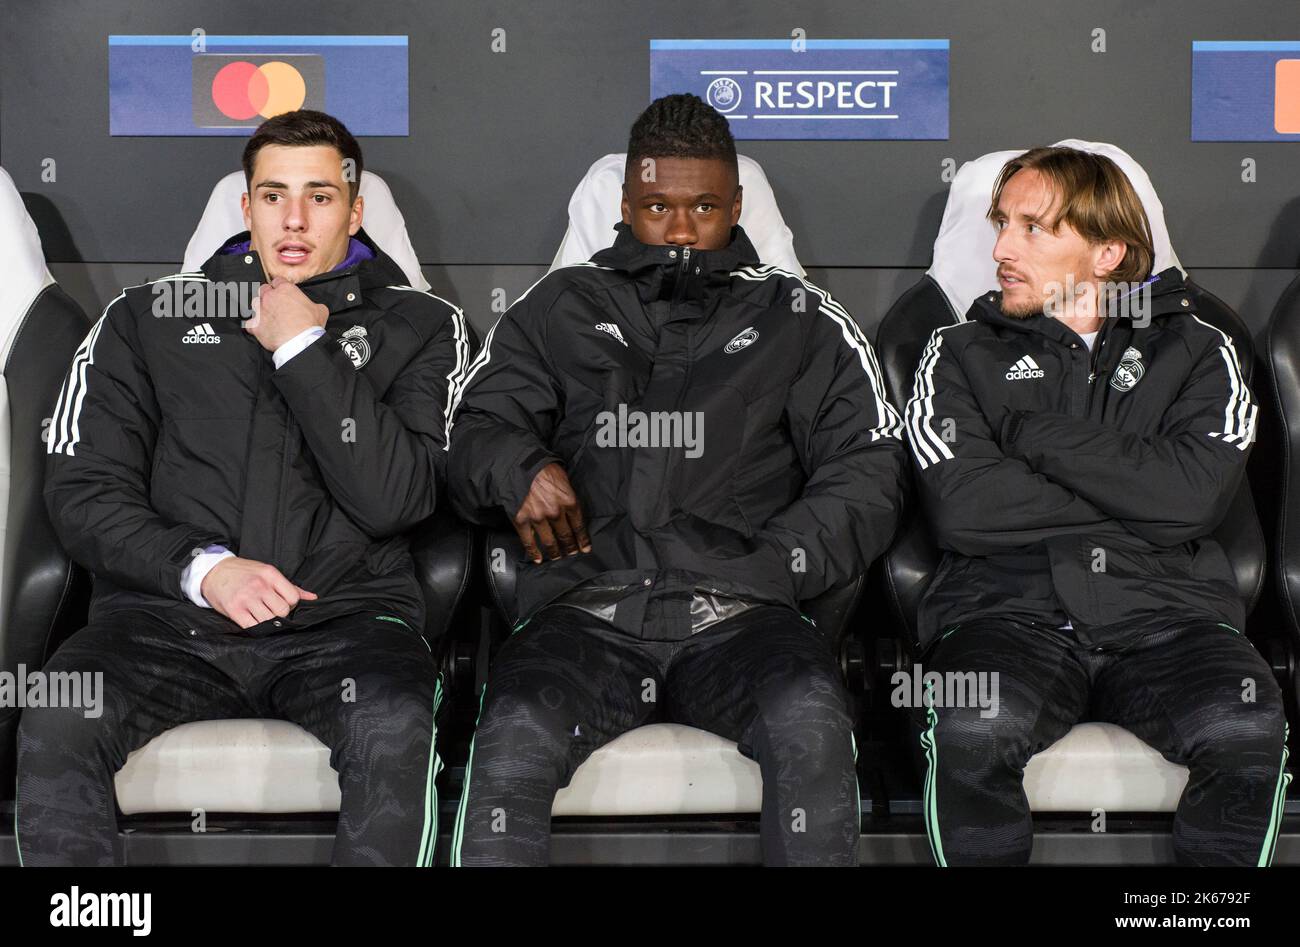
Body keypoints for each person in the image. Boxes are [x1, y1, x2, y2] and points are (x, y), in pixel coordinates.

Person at [446, 93, 907, 866]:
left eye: (703, 207)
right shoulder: (557, 308)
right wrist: (518, 468)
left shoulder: (800, 319)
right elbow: (472, 432)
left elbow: (870, 472)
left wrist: (776, 561)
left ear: (736, 205)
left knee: (812, 724)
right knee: (511, 740)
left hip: (746, 617)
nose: (683, 230)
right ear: (625, 206)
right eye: (658, 206)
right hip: (585, 610)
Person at [16, 109, 470, 866]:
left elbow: (399, 497)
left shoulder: (424, 327)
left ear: (356, 211)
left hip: (346, 626)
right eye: (272, 195)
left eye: (320, 197)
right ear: (246, 208)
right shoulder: (146, 317)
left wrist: (302, 346)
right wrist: (203, 568)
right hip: (166, 621)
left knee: (393, 725)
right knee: (60, 712)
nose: (294, 219)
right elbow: (85, 490)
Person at [904, 145, 1290, 866]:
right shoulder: (955, 353)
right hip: (1004, 610)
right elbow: (966, 510)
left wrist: (1031, 434)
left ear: (1108, 252)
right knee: (972, 727)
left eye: (1032, 227)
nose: (1000, 248)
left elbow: (1190, 500)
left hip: (1168, 614)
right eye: (999, 223)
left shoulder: (1202, 350)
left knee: (1245, 727)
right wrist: (1134, 497)